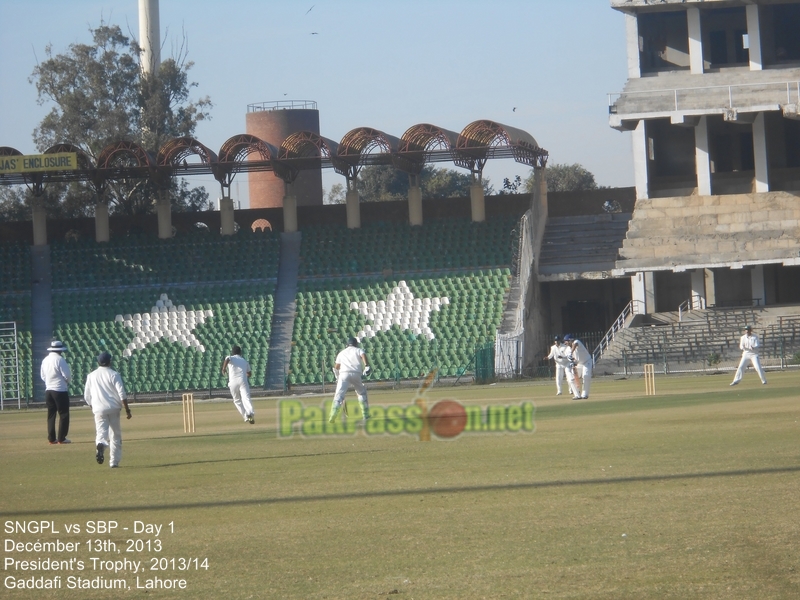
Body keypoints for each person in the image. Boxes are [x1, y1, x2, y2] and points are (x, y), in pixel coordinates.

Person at [83, 352, 131, 468]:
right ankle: (114, 462)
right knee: (115, 435)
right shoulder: (114, 374)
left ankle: (101, 444)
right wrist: (127, 409)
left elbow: (86, 396)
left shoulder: (91, 376)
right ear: (109, 361)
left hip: (98, 408)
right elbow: (122, 393)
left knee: (101, 433)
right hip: (114, 408)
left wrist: (93, 406)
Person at [328, 337, 371, 423]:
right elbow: (363, 355)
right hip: (356, 374)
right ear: (355, 344)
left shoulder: (341, 353)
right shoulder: (358, 350)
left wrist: (337, 377)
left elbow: (336, 367)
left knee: (339, 396)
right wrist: (367, 365)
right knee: (361, 393)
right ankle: (365, 415)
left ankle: (333, 415)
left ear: (347, 344)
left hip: (344, 374)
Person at [40, 340, 72, 444]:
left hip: (48, 390)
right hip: (59, 390)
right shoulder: (60, 359)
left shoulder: (45, 360)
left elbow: (43, 376)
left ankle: (51, 438)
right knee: (63, 414)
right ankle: (62, 438)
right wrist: (66, 382)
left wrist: (49, 382)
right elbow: (67, 375)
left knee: (51, 414)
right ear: (60, 350)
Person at [221, 345, 254, 424]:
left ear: (233, 352)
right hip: (242, 381)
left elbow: (227, 359)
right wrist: (245, 374)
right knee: (246, 398)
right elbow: (249, 374)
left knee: (237, 400)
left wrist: (223, 368)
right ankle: (250, 412)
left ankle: (245, 416)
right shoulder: (244, 361)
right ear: (240, 352)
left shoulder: (231, 357)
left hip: (233, 382)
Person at [564, 334, 592, 399]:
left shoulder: (577, 342)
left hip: (587, 361)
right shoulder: (567, 350)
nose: (565, 342)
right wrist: (572, 362)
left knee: (586, 376)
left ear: (570, 340)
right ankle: (577, 395)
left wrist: (571, 352)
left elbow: (575, 345)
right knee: (571, 379)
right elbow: (571, 359)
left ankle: (585, 394)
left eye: (566, 341)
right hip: (578, 364)